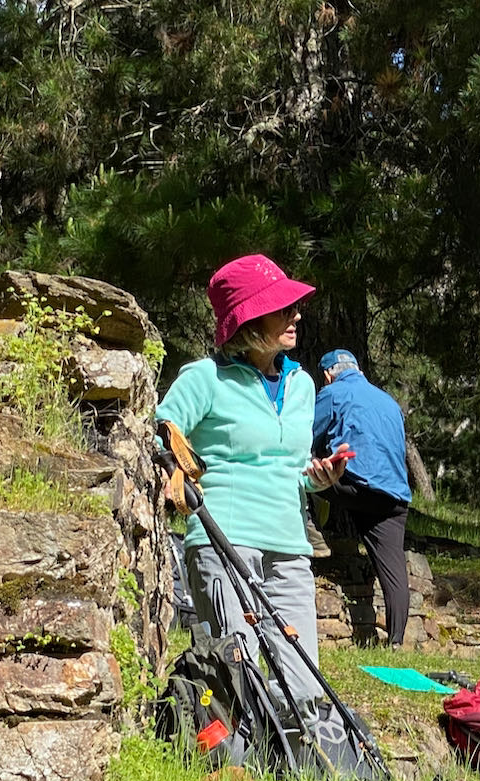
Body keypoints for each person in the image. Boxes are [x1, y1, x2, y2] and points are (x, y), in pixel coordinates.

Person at [157, 254, 345, 708]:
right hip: (225, 540)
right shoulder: (205, 378)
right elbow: (160, 436)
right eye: (283, 308)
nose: (296, 316)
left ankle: (294, 754)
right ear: (250, 320)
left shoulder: (303, 385)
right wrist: (176, 474)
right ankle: (231, 754)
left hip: (290, 545)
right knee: (236, 676)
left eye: (294, 307)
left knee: (303, 686)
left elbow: (293, 467)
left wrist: (319, 477)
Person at [312, 349, 413, 647]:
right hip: (394, 497)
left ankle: (309, 530)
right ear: (359, 370)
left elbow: (305, 438)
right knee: (394, 570)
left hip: (355, 487)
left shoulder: (333, 394)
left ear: (328, 375)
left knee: (299, 473)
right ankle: (396, 641)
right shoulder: (389, 401)